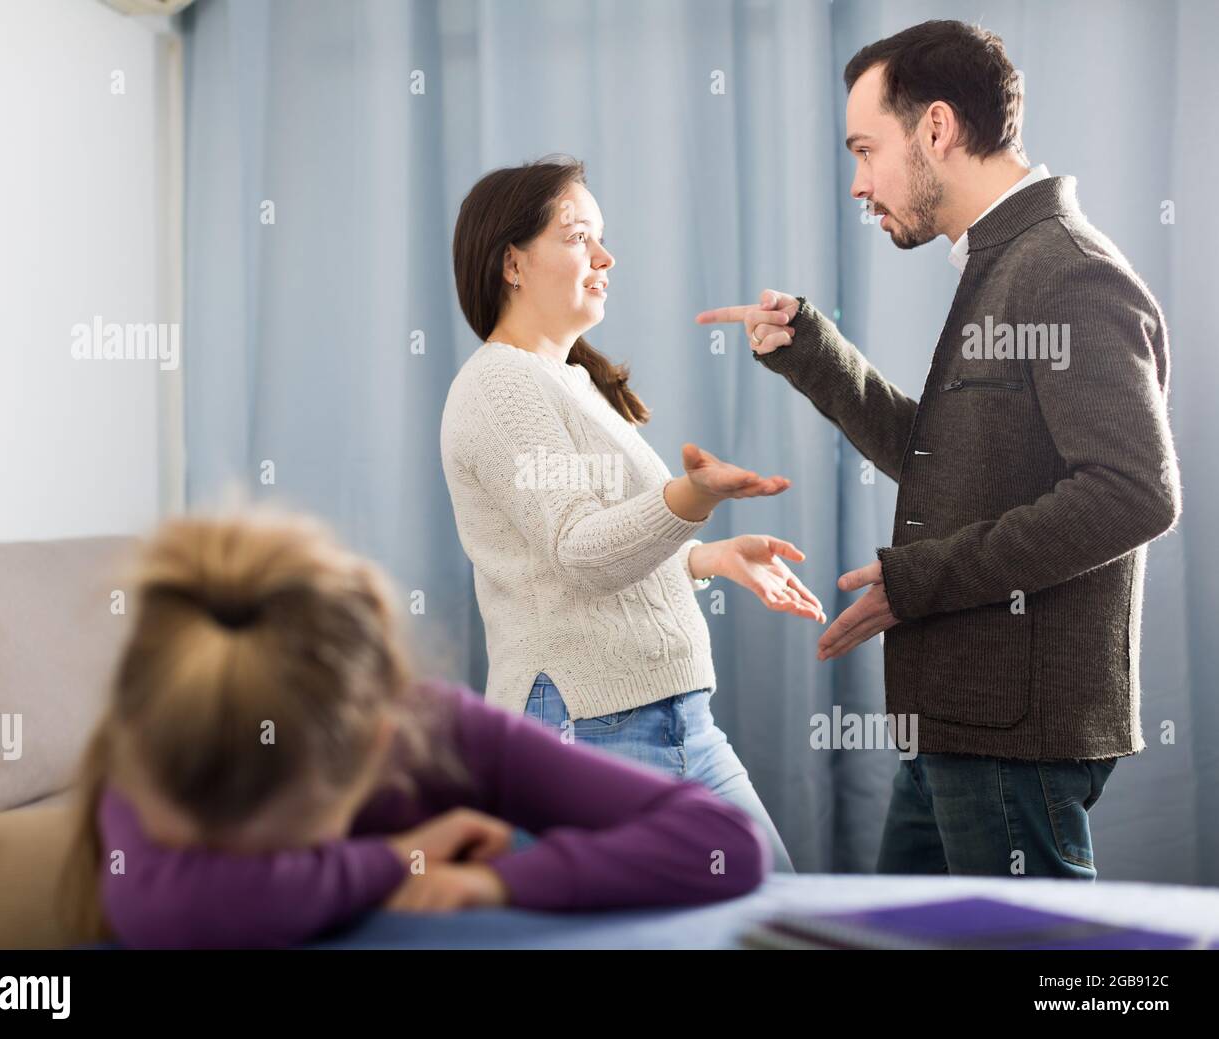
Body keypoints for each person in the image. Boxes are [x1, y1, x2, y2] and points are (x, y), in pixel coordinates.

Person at [698, 20, 1180, 880]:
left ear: (936, 129)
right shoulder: (1001, 263)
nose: (857, 184)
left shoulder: (1063, 268)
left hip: (1010, 739)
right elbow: (950, 462)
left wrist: (918, 580)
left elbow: (1134, 492)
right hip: (958, 729)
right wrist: (810, 347)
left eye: (864, 149)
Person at [62, 510, 770, 948]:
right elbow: (176, 907)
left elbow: (722, 842)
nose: (224, 869)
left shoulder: (436, 733)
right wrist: (400, 859)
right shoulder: (162, 734)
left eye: (251, 854)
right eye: (198, 844)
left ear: (374, 748)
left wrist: (498, 885)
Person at [443, 156, 825, 872]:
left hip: (675, 719)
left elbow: (605, 543)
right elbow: (577, 551)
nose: (605, 256)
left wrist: (704, 557)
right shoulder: (499, 383)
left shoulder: (572, 382)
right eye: (578, 236)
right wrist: (695, 498)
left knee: (773, 913)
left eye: (602, 236)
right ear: (513, 264)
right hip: (587, 728)